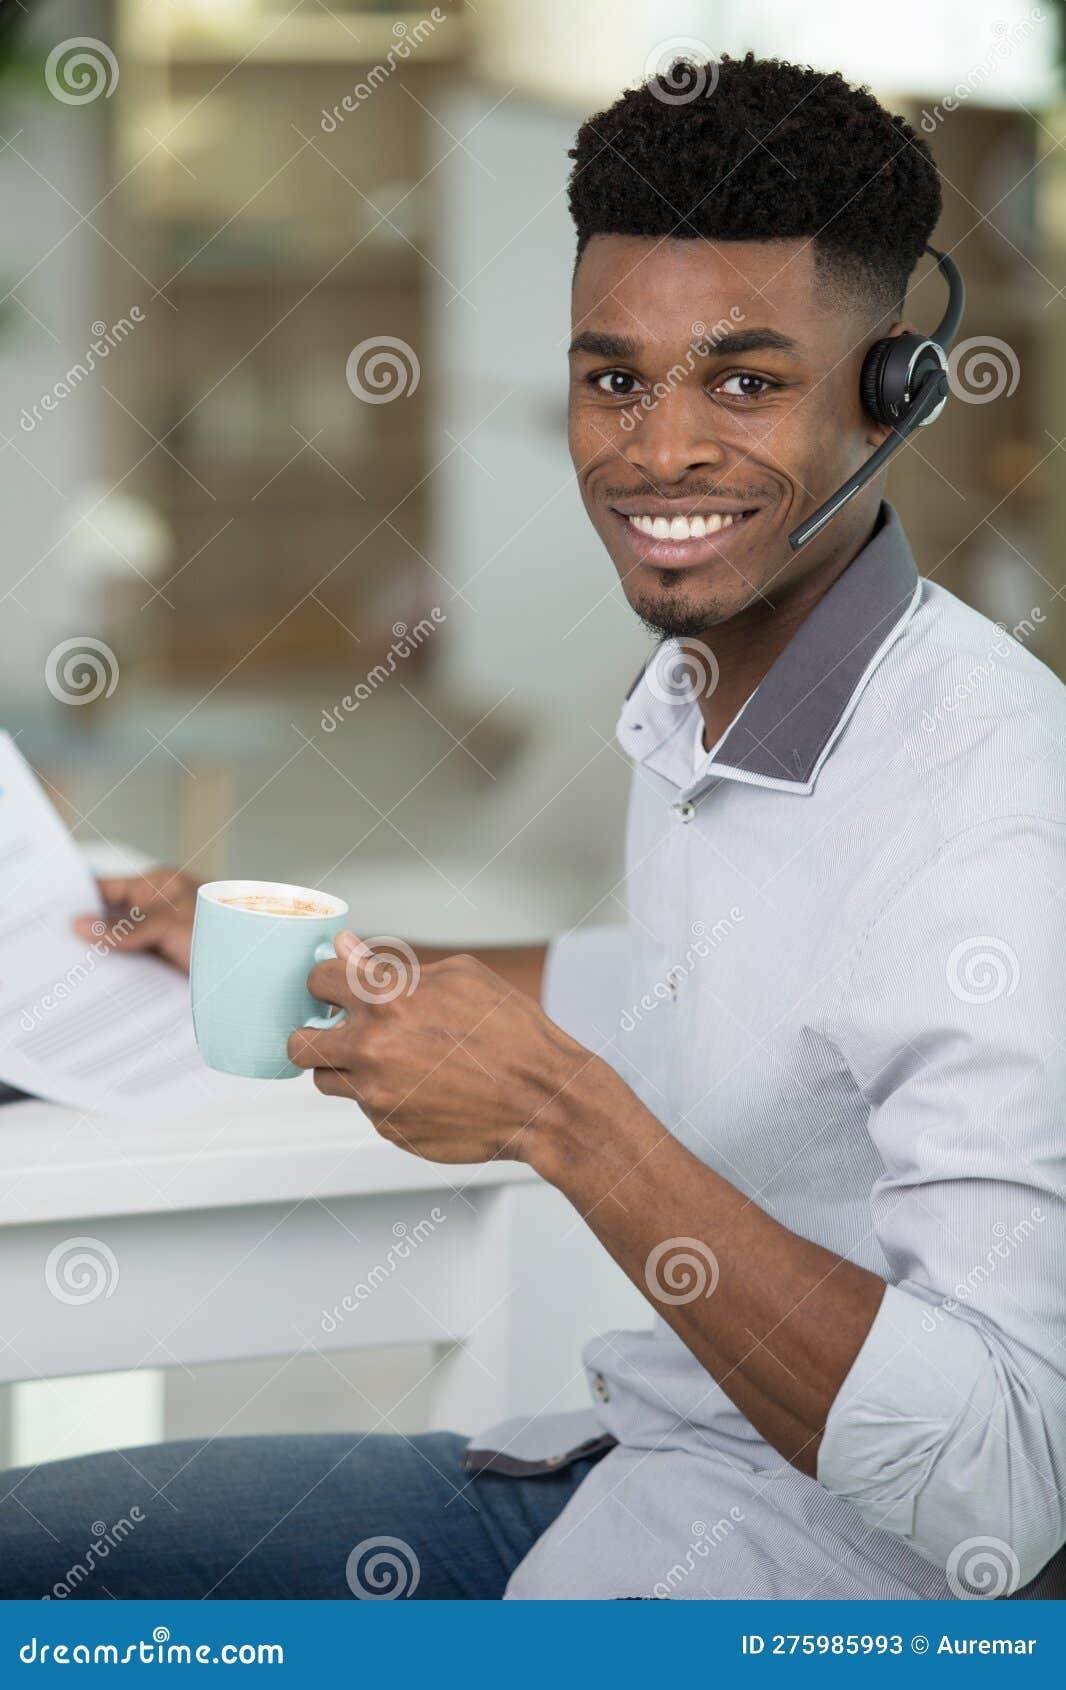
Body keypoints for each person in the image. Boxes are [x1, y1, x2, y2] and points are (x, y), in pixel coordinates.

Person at [3, 51, 1064, 1602]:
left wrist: (563, 1118)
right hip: (619, 1484)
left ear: (893, 387)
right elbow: (679, 986)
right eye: (613, 376)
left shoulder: (988, 815)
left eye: (745, 382)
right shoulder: (706, 688)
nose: (657, 450)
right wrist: (326, 959)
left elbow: (1007, 1478)